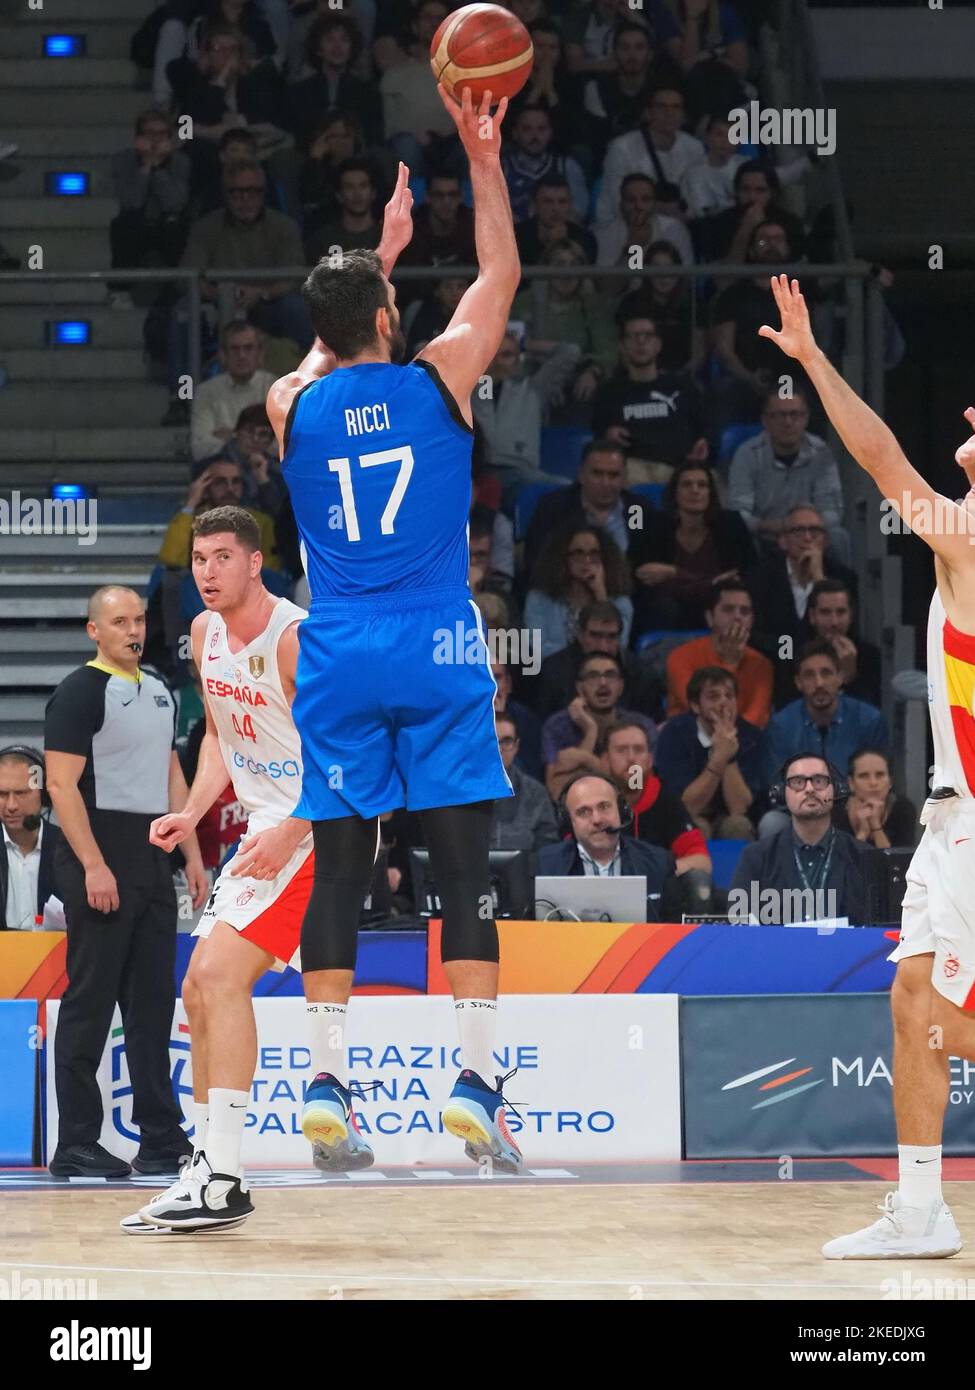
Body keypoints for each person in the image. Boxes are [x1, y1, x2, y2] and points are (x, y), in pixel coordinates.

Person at [267, 92, 527, 1176]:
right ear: (389, 315)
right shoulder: (438, 378)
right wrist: (482, 153)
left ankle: (327, 1083)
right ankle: (472, 1084)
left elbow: (319, 360)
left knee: (338, 867)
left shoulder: (291, 402)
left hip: (337, 646)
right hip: (434, 640)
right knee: (462, 871)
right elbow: (500, 275)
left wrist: (365, 270)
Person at [762, 273, 975, 1258]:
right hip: (944, 819)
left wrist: (812, 361)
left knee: (951, 1016)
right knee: (911, 1000)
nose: (969, 419)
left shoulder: (969, 542)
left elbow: (880, 458)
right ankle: (924, 1209)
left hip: (972, 820)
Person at [120, 507, 368, 1232]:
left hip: (321, 832)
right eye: (199, 559)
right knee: (197, 988)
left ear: (256, 563)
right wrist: (194, 814)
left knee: (219, 978)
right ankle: (210, 1166)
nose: (207, 571)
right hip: (265, 829)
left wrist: (291, 829)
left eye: (223, 557)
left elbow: (345, 756)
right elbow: (221, 743)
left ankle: (223, 1176)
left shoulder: (293, 639)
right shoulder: (202, 634)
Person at [45, 586, 209, 1178]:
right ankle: (77, 1144)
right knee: (90, 1003)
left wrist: (191, 851)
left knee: (151, 1006)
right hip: (97, 853)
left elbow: (170, 772)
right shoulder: (77, 693)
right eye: (119, 622)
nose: (133, 631)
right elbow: (61, 788)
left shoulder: (160, 690)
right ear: (95, 631)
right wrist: (91, 865)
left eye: (139, 620)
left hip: (149, 857)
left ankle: (161, 1139)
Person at [729, 752, 874, 925]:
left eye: (819, 781)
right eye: (798, 782)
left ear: (836, 789)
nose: (809, 788)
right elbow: (739, 923)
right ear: (782, 793)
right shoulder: (756, 857)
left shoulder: (864, 857)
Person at [631, 459, 755, 635]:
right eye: (687, 485)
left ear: (710, 493)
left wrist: (675, 574)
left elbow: (744, 578)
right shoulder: (655, 526)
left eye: (702, 485)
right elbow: (645, 579)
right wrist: (712, 583)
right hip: (670, 613)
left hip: (720, 608)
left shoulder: (731, 525)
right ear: (675, 492)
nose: (695, 490)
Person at [536, 772, 677, 922]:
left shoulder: (657, 862)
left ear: (621, 811)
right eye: (583, 812)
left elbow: (675, 933)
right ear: (569, 821)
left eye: (604, 807)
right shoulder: (544, 865)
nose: (597, 819)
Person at [591, 307, 709, 484]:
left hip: (680, 467)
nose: (641, 342)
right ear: (622, 346)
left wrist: (704, 442)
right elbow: (598, 432)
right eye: (633, 336)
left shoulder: (683, 386)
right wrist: (608, 434)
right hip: (632, 469)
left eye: (647, 335)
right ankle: (636, 514)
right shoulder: (609, 392)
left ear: (658, 344)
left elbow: (706, 426)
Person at [729, 387, 848, 562]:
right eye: (779, 415)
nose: (788, 422)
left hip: (808, 534)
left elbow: (832, 511)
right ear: (765, 420)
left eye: (795, 414)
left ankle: (834, 589)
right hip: (765, 536)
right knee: (738, 537)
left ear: (806, 418)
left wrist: (802, 528)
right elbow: (738, 514)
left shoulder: (821, 453)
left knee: (838, 537)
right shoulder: (747, 454)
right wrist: (774, 527)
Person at [604, 721, 712, 905]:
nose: (631, 758)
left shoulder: (665, 800)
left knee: (697, 880)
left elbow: (702, 861)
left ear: (650, 760)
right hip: (603, 891)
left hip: (658, 896)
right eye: (621, 750)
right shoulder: (590, 800)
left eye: (638, 750)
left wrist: (658, 872)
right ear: (604, 760)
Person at [654, 665, 766, 839]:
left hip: (730, 817)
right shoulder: (674, 734)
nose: (723, 702)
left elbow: (739, 807)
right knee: (695, 826)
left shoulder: (751, 736)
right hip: (689, 815)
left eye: (729, 696)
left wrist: (728, 755)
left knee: (738, 825)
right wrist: (719, 757)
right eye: (714, 697)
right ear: (695, 705)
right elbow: (688, 806)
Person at [764, 639, 888, 785]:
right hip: (798, 805)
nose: (819, 683)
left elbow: (877, 783)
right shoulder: (781, 726)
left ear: (840, 677)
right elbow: (776, 787)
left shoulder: (870, 721)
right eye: (809, 675)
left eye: (826, 673)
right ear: (798, 682)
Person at [522, 439, 651, 577]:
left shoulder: (636, 509)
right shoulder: (554, 507)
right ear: (581, 475)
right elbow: (537, 563)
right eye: (597, 473)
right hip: (566, 592)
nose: (605, 483)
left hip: (625, 593)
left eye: (613, 475)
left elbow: (643, 559)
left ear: (624, 478)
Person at [542, 651, 656, 801]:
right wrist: (590, 732)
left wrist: (585, 759)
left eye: (610, 675)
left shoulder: (640, 726)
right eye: (593, 676)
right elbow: (558, 793)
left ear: (621, 686)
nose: (603, 683)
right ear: (580, 688)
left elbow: (637, 786)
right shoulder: (557, 726)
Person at [525, 599, 662, 723]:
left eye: (611, 637)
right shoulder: (552, 672)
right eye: (595, 636)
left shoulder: (642, 676)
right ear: (580, 634)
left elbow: (651, 729)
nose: (603, 646)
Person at [747, 504, 858, 648]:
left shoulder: (844, 578)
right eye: (798, 531)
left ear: (825, 541)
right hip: (776, 661)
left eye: (814, 531)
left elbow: (845, 633)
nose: (807, 538)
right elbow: (758, 635)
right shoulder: (760, 578)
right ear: (783, 541)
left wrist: (819, 580)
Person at [665, 578, 773, 726]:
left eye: (745, 611)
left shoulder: (762, 664)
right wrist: (730, 663)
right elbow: (702, 710)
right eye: (728, 609)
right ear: (710, 618)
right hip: (688, 738)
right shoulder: (680, 657)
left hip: (742, 741)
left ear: (752, 620)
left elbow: (757, 719)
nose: (738, 617)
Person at [596, 85, 704, 227]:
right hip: (622, 225)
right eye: (661, 107)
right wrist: (662, 209)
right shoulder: (621, 148)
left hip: (679, 225)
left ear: (684, 115)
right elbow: (617, 202)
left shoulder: (694, 147)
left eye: (676, 107)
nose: (669, 113)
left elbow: (697, 197)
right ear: (648, 113)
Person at [525, 523, 633, 662]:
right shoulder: (538, 599)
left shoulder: (621, 602)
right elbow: (537, 649)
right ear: (563, 557)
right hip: (554, 673)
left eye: (594, 554)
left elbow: (619, 646)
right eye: (578, 553)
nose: (587, 561)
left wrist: (601, 596)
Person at [285, 12, 383, 153]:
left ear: (352, 47)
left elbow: (372, 135)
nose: (337, 47)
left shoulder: (368, 92)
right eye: (329, 40)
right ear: (319, 49)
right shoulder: (299, 91)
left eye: (344, 40)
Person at [190, 321, 276, 461]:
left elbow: (284, 446)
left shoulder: (276, 388)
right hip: (221, 472)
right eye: (234, 349)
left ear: (259, 353)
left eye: (248, 348)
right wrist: (256, 440)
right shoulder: (206, 391)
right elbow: (199, 448)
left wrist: (231, 436)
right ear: (223, 355)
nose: (241, 355)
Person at [0, 747, 64, 931]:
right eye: (2, 794)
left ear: (43, 794)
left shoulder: (69, 848)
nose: (11, 805)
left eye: (21, 793)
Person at [799, 578, 882, 709]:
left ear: (851, 616)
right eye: (825, 612)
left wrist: (850, 678)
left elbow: (869, 715)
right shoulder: (794, 651)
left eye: (841, 612)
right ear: (812, 616)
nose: (834, 622)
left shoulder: (869, 655)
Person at [490, 712, 559, 865]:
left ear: (516, 747)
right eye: (492, 740)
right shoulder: (458, 792)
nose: (499, 749)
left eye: (506, 741)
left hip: (523, 880)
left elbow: (548, 848)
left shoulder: (535, 793)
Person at [501, 104, 589, 223]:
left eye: (541, 129)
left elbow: (579, 211)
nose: (535, 136)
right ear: (515, 133)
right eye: (527, 129)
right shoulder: (500, 168)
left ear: (550, 133)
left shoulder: (567, 166)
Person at [596, 171, 694, 270]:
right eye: (631, 200)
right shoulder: (606, 233)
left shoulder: (675, 230)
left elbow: (686, 280)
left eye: (646, 199)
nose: (639, 206)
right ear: (621, 205)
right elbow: (608, 285)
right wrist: (634, 247)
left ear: (655, 204)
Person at [834, 747, 917, 851]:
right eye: (864, 776)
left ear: (890, 782)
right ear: (851, 783)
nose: (873, 783)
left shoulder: (903, 809)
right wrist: (862, 834)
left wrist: (876, 826)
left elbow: (896, 864)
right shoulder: (835, 812)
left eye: (880, 775)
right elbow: (843, 865)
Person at [305, 157, 382, 263]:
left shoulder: (387, 237)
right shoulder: (322, 240)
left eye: (363, 186)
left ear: (373, 193)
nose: (357, 194)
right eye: (349, 187)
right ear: (339, 195)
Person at [514, 174, 598, 268]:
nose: (556, 208)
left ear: (570, 205)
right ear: (535, 205)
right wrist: (549, 246)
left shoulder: (585, 239)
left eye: (562, 201)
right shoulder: (516, 237)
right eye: (548, 201)